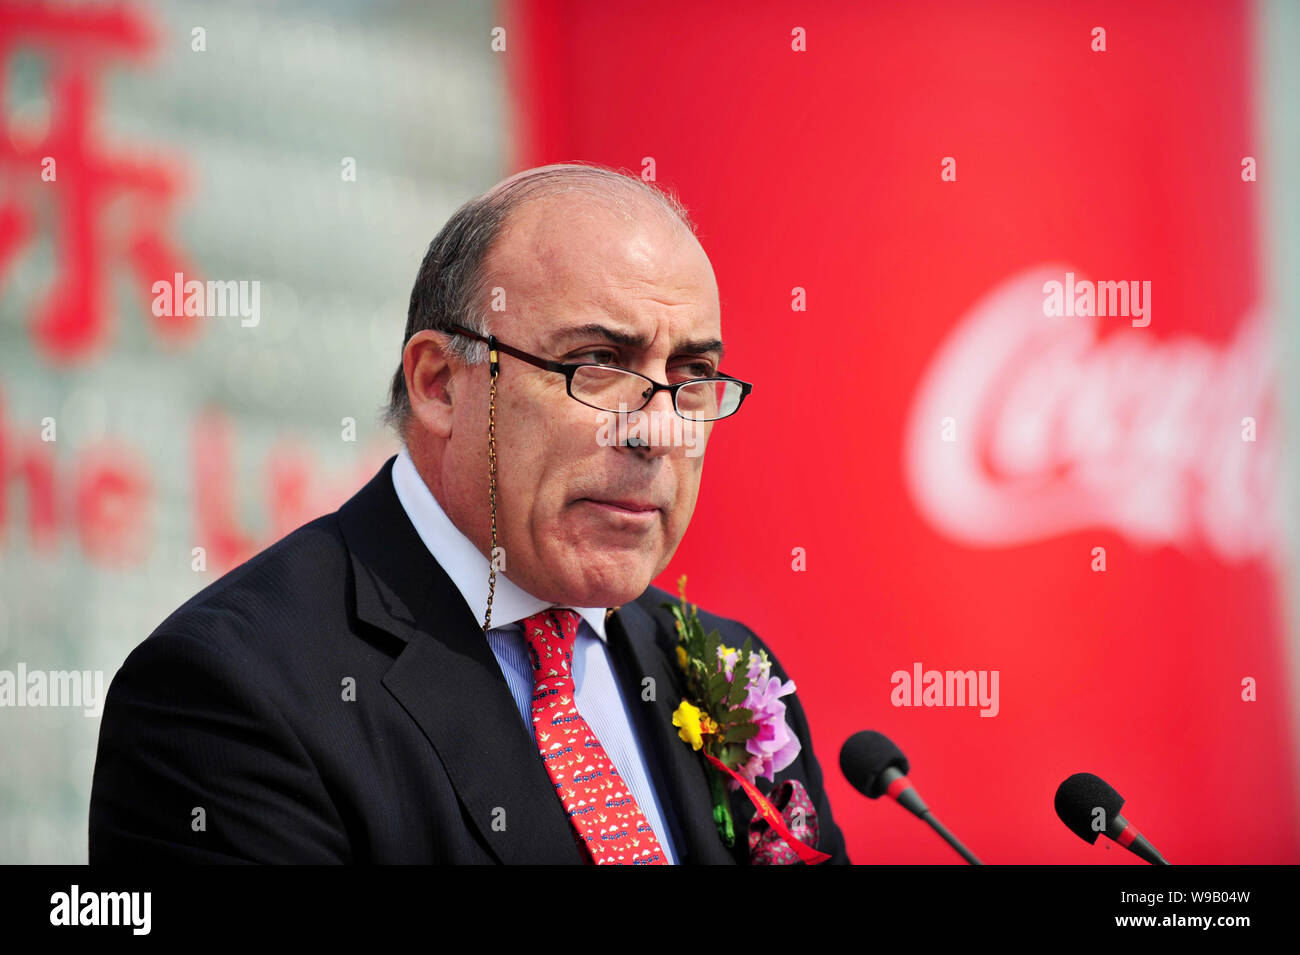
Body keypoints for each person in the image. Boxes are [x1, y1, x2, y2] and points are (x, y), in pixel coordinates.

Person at [89, 163, 850, 864]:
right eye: (597, 363)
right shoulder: (236, 692)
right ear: (440, 383)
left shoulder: (723, 667)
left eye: (692, 375)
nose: (657, 428)